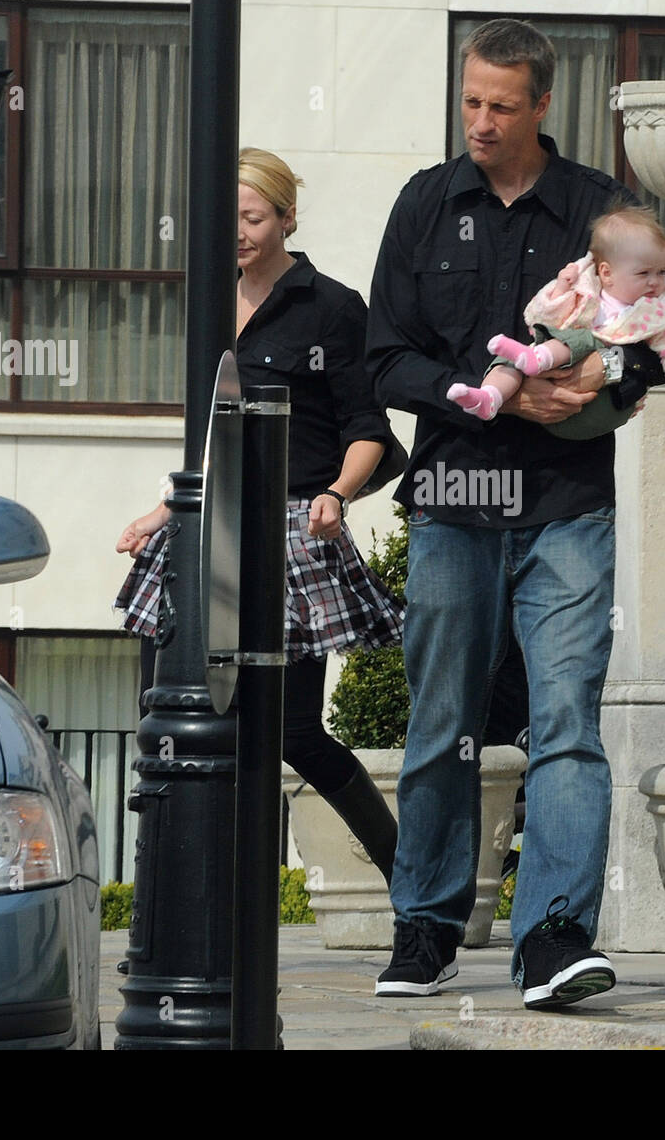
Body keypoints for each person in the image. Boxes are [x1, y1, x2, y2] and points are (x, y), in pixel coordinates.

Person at [365, 18, 665, 1007]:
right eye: (470, 101)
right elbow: (385, 357)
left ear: (543, 104)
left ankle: (553, 939)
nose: (480, 122)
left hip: (567, 506)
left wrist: (608, 373)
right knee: (442, 720)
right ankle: (426, 928)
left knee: (566, 722)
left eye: (501, 106)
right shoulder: (424, 204)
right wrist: (496, 395)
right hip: (452, 501)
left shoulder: (604, 210)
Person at [114, 147, 404, 883]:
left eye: (252, 217)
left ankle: (408, 877)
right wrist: (161, 512)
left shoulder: (331, 307)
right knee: (175, 717)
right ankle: (185, 891)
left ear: (287, 218)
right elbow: (212, 439)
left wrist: (337, 495)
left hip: (294, 530)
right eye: (229, 219)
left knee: (295, 732)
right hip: (203, 527)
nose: (238, 233)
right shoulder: (209, 301)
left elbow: (369, 428)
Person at [448, 202, 665, 433]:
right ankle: (489, 398)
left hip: (599, 405)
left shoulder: (661, 312)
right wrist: (561, 290)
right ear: (606, 273)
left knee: (582, 338)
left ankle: (536, 359)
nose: (656, 282)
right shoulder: (585, 290)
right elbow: (541, 318)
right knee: (506, 362)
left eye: (662, 272)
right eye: (644, 273)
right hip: (548, 388)